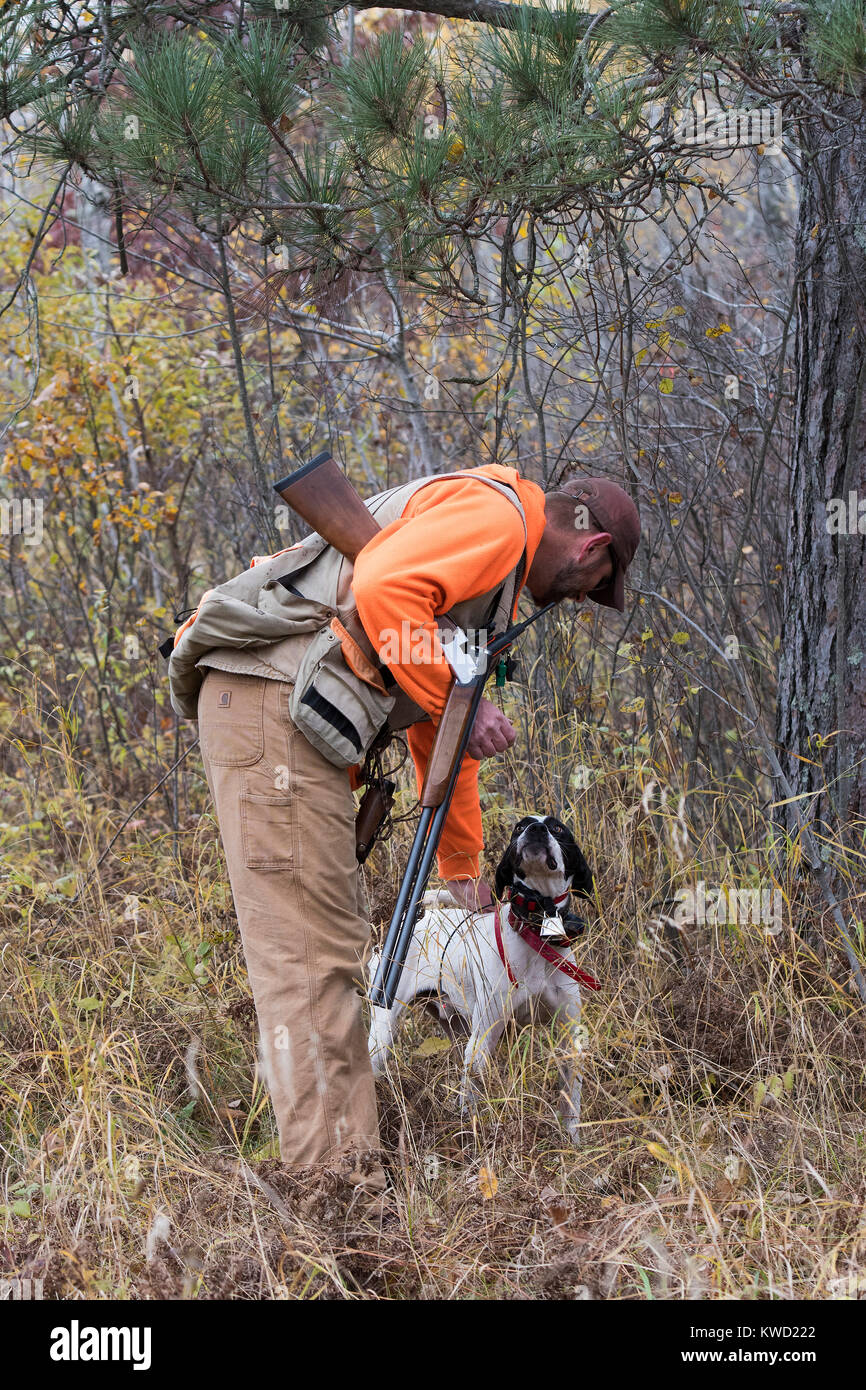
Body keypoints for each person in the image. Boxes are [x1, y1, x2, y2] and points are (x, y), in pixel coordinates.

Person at [167, 464, 640, 1184]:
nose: (581, 601)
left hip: (282, 710)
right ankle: (336, 1190)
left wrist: (461, 872)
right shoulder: (501, 522)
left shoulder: (490, 580)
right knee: (309, 956)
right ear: (590, 546)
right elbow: (387, 588)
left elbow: (438, 729)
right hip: (269, 700)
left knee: (331, 946)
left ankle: (343, 1173)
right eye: (595, 585)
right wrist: (462, 696)